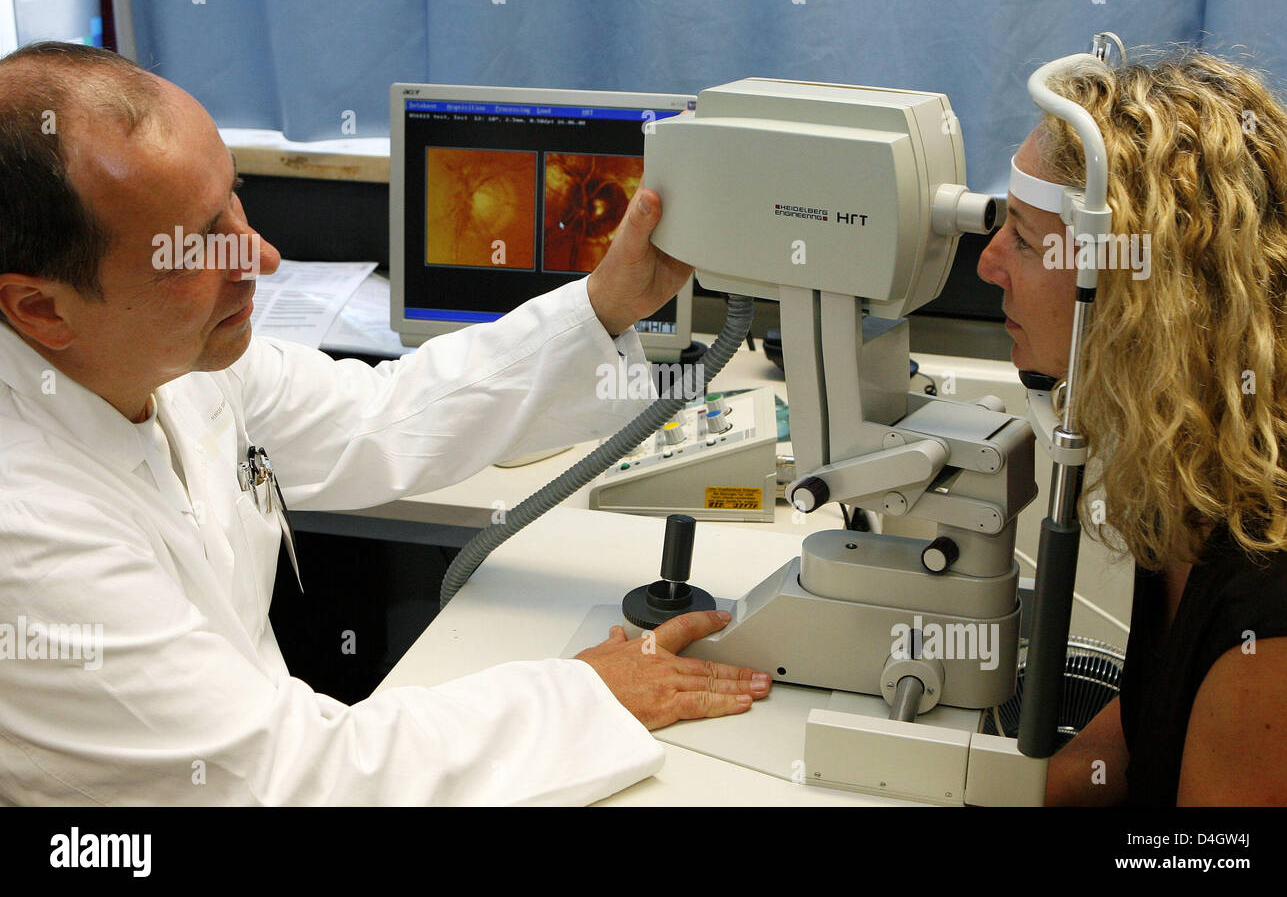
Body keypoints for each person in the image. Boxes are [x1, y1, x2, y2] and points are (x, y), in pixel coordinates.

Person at [0, 42, 772, 806]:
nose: (260, 257)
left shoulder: (168, 362)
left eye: (232, 201)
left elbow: (380, 416)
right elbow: (293, 780)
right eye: (195, 245)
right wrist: (583, 695)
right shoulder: (30, 535)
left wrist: (607, 303)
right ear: (40, 308)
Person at [978, 47, 1287, 805]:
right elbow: (1156, 721)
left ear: (1139, 289)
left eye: (1023, 239)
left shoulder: (1276, 612)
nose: (989, 263)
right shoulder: (1202, 464)